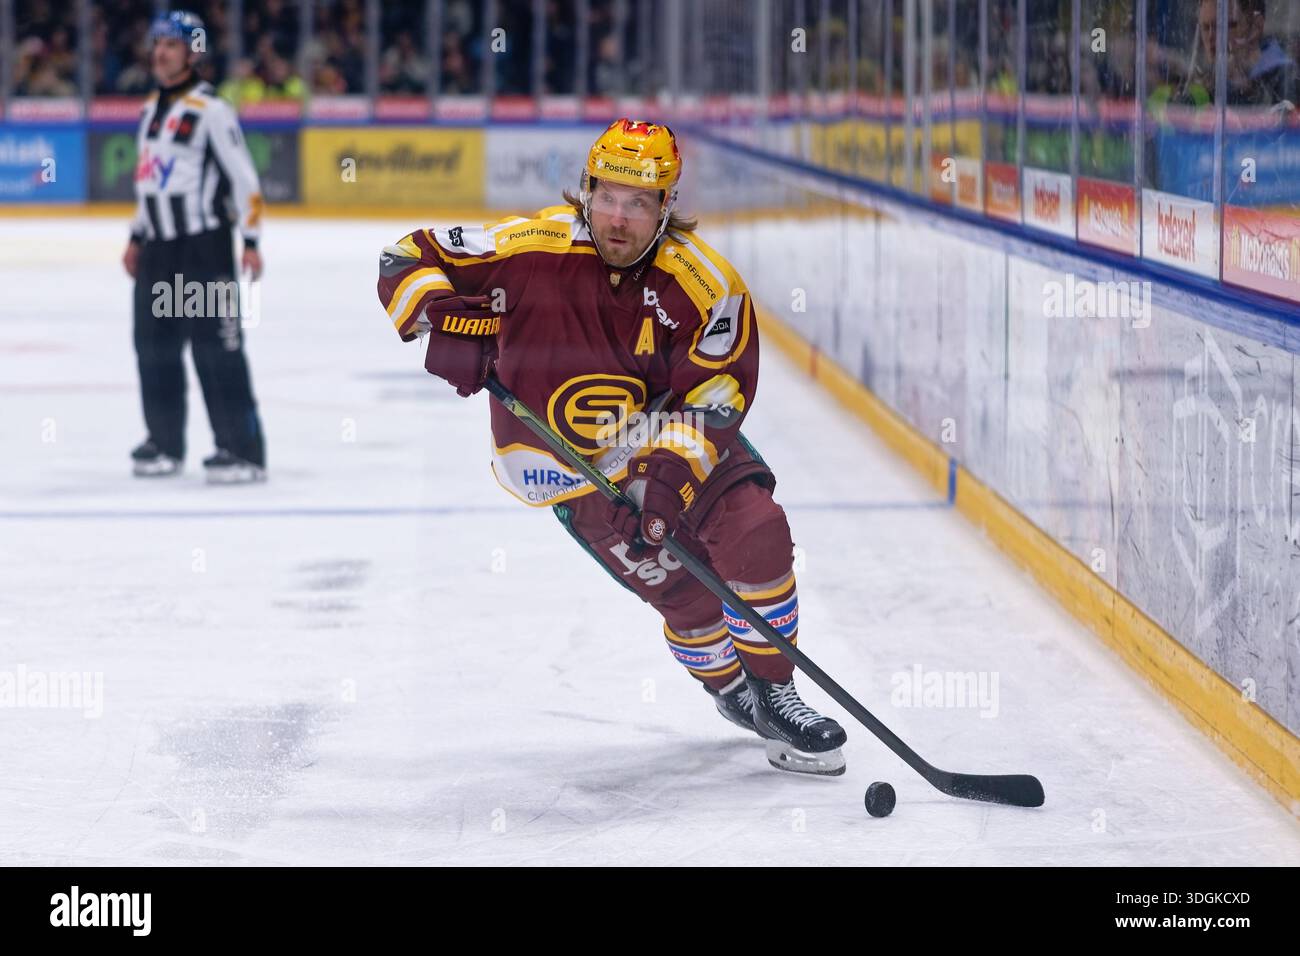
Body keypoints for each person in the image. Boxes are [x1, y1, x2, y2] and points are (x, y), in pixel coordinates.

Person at [375, 120, 848, 775]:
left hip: (666, 436)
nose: (618, 218)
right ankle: (732, 690)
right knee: (685, 597)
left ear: (667, 207)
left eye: (639, 202)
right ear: (585, 190)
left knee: (754, 531)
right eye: (606, 197)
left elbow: (713, 398)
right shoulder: (531, 247)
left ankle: (776, 690)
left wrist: (667, 481)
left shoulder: (703, 285)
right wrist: (443, 319)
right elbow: (405, 258)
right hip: (567, 467)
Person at [123, 10, 267, 483]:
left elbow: (244, 178)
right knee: (153, 346)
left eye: (170, 44)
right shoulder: (149, 111)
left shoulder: (212, 110)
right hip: (158, 252)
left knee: (216, 348)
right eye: (157, 43)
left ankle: (241, 451)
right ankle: (164, 443)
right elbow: (148, 183)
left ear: (191, 52)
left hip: (203, 250)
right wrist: (136, 236)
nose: (160, 52)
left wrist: (249, 240)